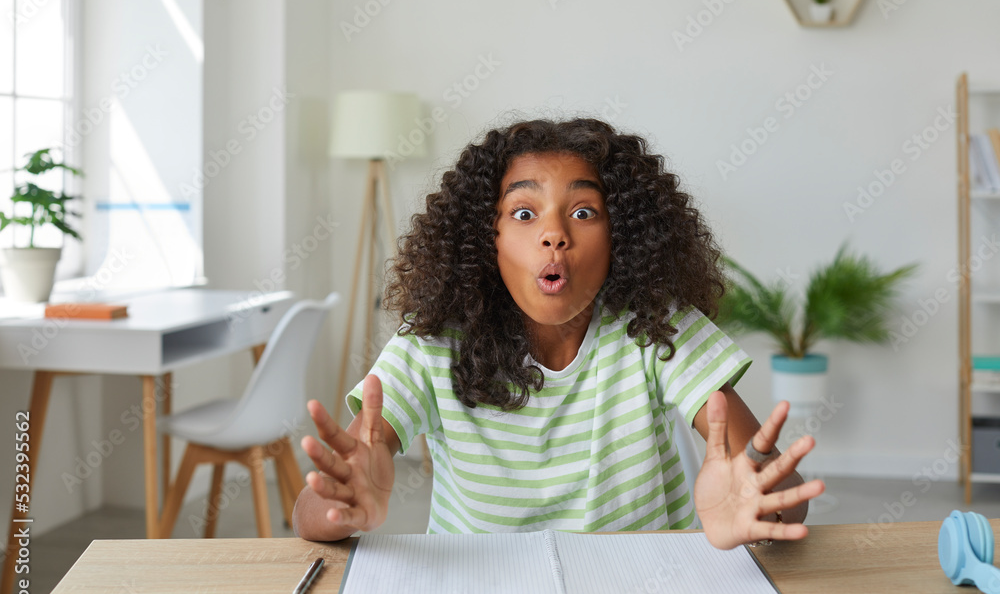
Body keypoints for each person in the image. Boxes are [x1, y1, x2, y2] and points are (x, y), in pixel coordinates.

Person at [292, 118, 825, 550]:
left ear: (623, 237)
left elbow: (783, 498)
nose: (555, 234)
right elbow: (309, 516)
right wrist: (343, 501)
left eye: (584, 212)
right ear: (488, 239)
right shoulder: (430, 345)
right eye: (524, 212)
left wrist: (755, 494)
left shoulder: (658, 328)